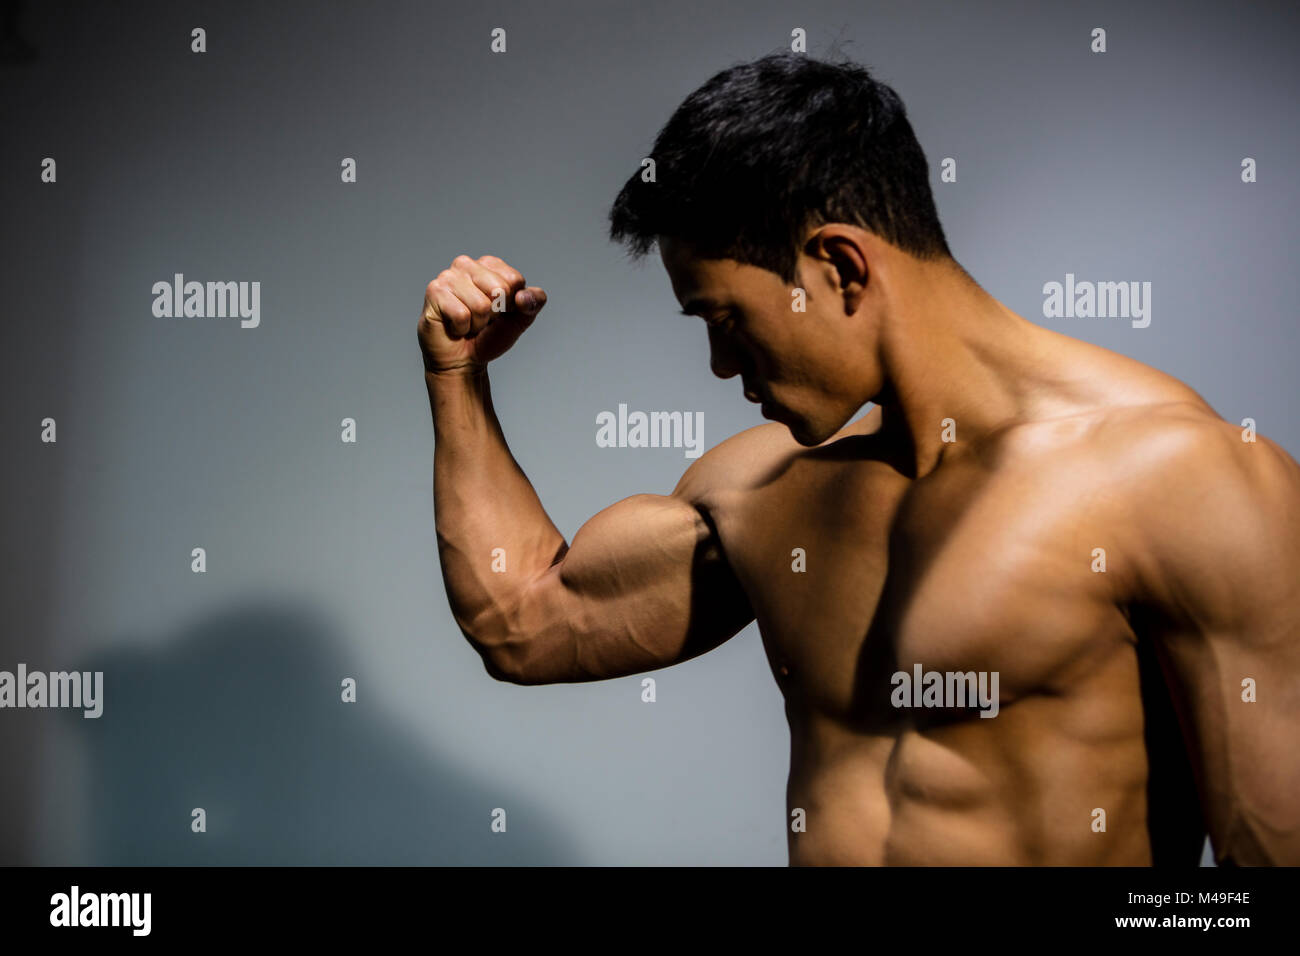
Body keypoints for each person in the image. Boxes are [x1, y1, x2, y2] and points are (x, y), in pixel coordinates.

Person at [418, 53, 1300, 865]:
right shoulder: (763, 492)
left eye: (727, 321)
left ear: (839, 266)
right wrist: (456, 376)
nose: (722, 367)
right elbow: (523, 624)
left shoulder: (1184, 481)